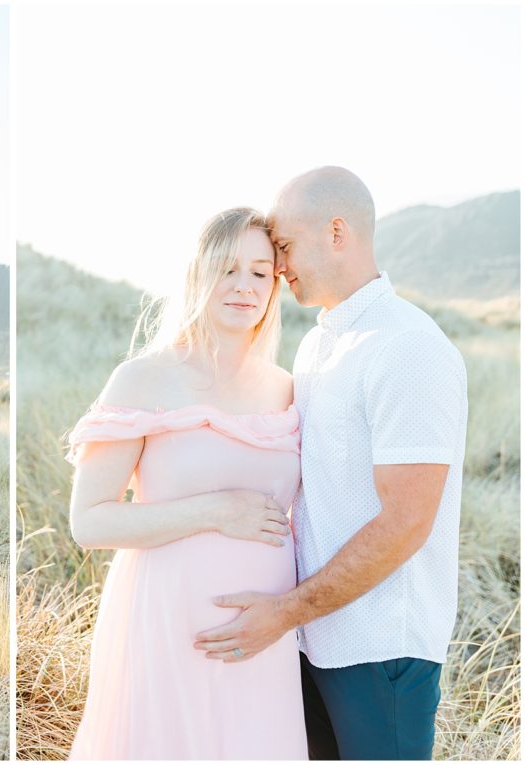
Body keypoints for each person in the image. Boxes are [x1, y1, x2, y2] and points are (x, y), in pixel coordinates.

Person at [194, 167, 468, 760]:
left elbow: (407, 522)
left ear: (337, 231)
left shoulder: (408, 347)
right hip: (312, 642)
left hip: (381, 650)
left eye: (286, 247)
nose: (280, 265)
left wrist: (283, 612)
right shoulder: (318, 344)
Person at [66, 207, 307, 759]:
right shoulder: (144, 377)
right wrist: (215, 510)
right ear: (197, 273)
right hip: (167, 624)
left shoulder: (288, 388)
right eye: (226, 269)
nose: (243, 286)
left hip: (262, 637)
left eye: (259, 272)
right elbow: (89, 521)